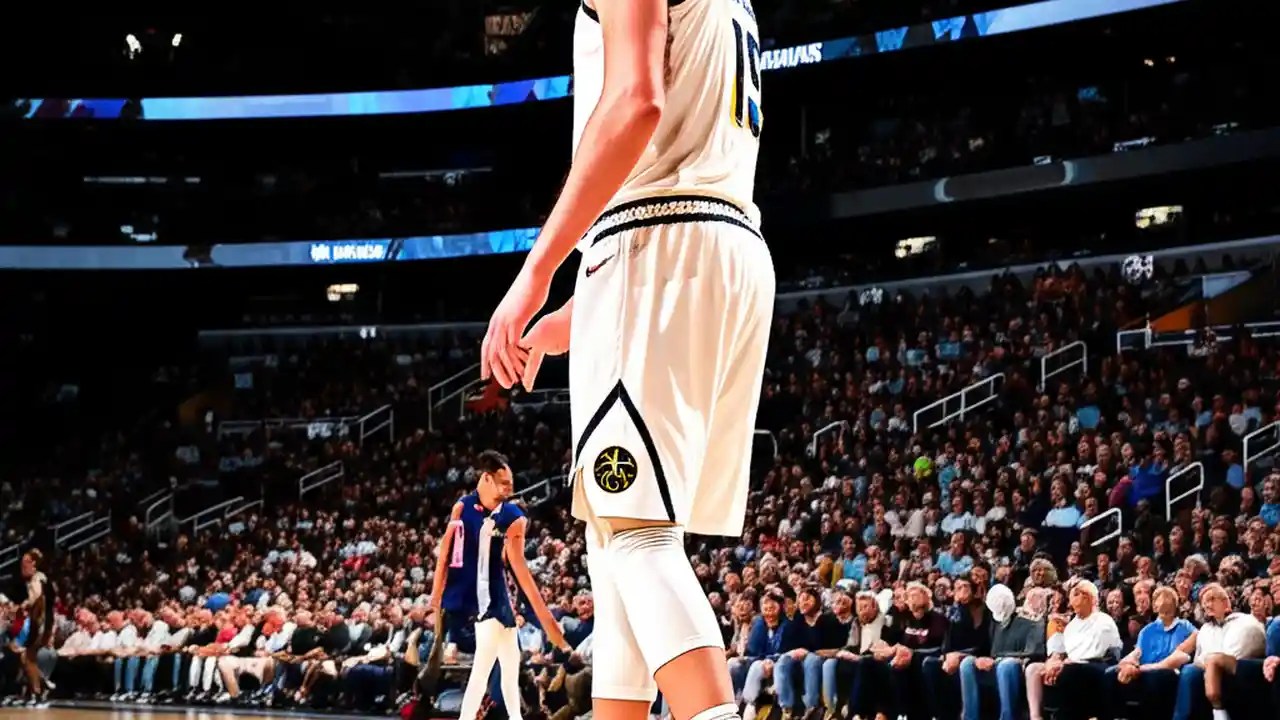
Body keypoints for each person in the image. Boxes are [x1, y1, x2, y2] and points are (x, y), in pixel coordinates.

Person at [481, 1, 774, 720]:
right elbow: (684, 146)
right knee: (616, 546)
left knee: (635, 538)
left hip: (657, 244)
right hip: (719, 244)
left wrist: (537, 271)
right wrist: (581, 314)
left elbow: (638, 101)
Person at [428, 450, 569, 720]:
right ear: (486, 479)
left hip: (498, 598)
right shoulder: (462, 507)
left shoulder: (513, 515)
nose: (510, 488)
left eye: (511, 483)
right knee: (483, 668)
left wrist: (546, 619)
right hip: (478, 600)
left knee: (510, 668)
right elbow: (445, 554)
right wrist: (435, 596)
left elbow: (520, 569)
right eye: (504, 483)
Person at [1103, 586, 1195, 720]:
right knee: (1110, 673)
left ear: (1175, 605)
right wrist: (1126, 665)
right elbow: (1137, 653)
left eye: (1168, 599)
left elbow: (1180, 656)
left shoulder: (1185, 626)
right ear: (1154, 606)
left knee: (1156, 676)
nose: (1164, 603)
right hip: (1143, 670)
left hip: (1168, 671)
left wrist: (1142, 668)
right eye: (1160, 600)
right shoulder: (1147, 630)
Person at [16, 550, 53, 706]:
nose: (22, 565)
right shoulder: (37, 578)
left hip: (39, 623)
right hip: (39, 622)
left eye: (26, 561)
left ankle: (38, 695)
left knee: (29, 657)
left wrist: (25, 603)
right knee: (26, 658)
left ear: (34, 563)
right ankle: (44, 684)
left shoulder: (37, 578)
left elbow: (37, 595)